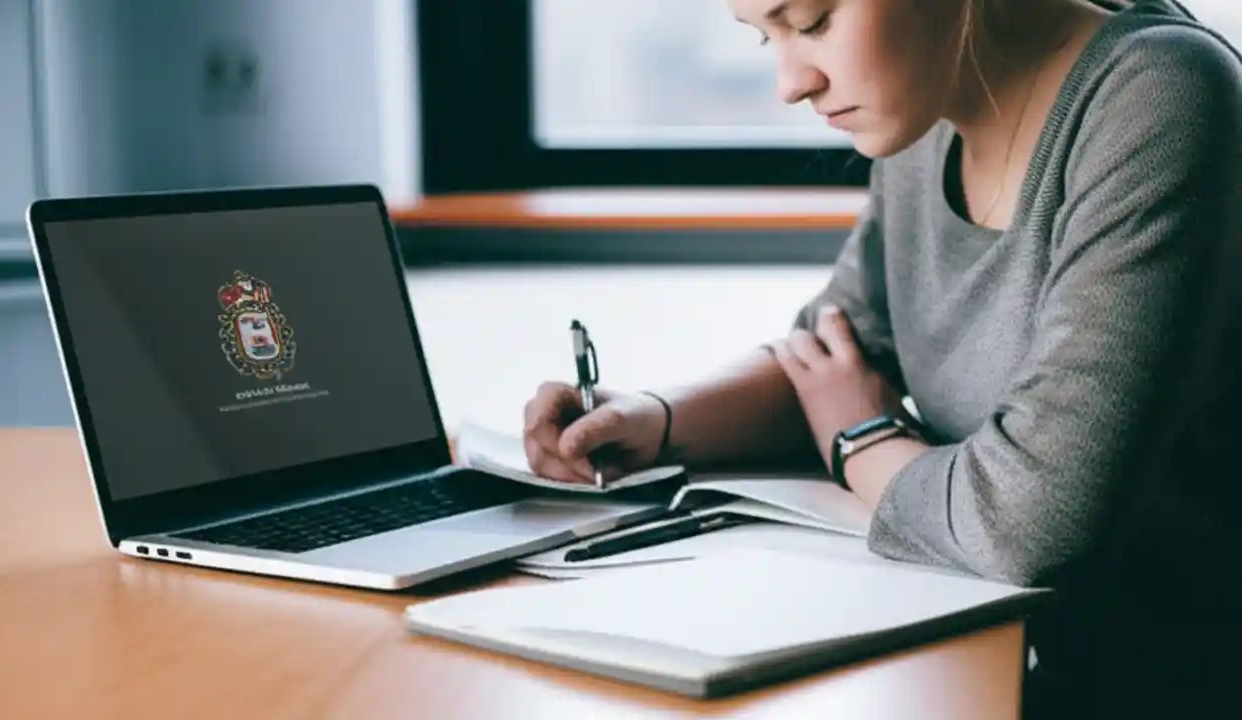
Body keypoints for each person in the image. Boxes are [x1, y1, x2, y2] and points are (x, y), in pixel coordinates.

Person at [521, 0, 1241, 715]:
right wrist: (652, 420)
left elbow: (1026, 522)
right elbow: (835, 354)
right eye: (763, 37)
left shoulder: (1161, 93)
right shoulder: (931, 102)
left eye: (812, 24)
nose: (790, 83)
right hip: (1004, 661)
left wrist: (860, 441)